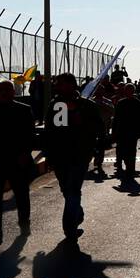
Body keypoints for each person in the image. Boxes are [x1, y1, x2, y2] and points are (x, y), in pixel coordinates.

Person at [44, 72, 104, 241]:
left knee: (72, 190)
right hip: (60, 157)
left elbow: (99, 129)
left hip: (79, 156)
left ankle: (69, 229)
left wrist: (93, 144)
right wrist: (49, 155)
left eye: (60, 83)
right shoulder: (57, 105)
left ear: (71, 85)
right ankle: (77, 213)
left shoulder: (86, 106)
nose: (57, 86)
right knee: (67, 190)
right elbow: (52, 133)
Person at [0, 80, 35, 247]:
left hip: (18, 161)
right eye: (0, 90)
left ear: (13, 92)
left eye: (7, 89)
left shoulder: (24, 110)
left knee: (22, 196)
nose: (3, 92)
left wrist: (26, 153)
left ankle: (24, 224)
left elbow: (30, 135)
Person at [111, 83, 140, 177]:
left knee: (132, 151)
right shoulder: (120, 103)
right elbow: (116, 118)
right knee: (122, 149)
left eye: (130, 90)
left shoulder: (139, 104)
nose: (129, 92)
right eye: (127, 90)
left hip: (133, 132)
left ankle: (131, 169)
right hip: (122, 131)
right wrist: (114, 131)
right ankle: (122, 166)